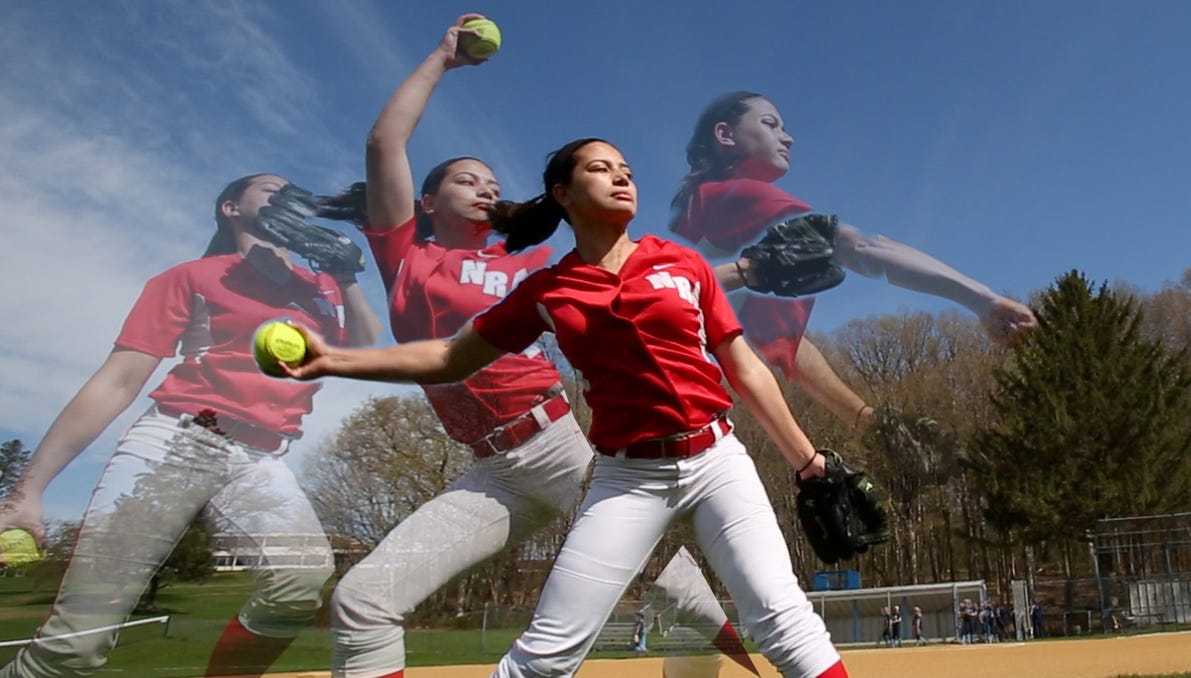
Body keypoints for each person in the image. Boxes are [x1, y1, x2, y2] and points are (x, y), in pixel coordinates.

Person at [281, 137, 850, 678]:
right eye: (600, 168)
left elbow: (744, 367)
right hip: (627, 479)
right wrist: (333, 359)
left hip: (718, 460)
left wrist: (806, 460)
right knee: (546, 655)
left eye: (624, 167)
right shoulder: (549, 289)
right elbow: (450, 357)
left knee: (785, 623)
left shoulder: (681, 263)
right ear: (563, 194)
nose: (621, 175)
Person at [317, 16, 746, 678]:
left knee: (662, 580)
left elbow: (629, 285)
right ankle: (690, 603)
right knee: (362, 601)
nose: (485, 188)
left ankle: (713, 628)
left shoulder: (529, 269)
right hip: (492, 470)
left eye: (492, 182)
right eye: (466, 180)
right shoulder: (406, 255)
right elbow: (383, 141)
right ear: (426, 201)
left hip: (555, 441)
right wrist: (441, 58)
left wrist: (738, 275)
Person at [0, 173, 382, 678]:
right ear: (231, 209)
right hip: (178, 443)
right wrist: (28, 490)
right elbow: (116, 382)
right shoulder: (192, 277)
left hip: (260, 459)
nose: (284, 194)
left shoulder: (316, 288)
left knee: (300, 582)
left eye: (291, 189)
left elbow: (360, 349)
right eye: (269, 188)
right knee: (78, 646)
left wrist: (346, 276)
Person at [670, 91, 1038, 431]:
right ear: (725, 135)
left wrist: (863, 419)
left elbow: (782, 342)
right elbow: (859, 248)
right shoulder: (740, 195)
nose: (789, 138)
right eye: (770, 124)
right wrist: (981, 300)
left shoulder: (702, 215)